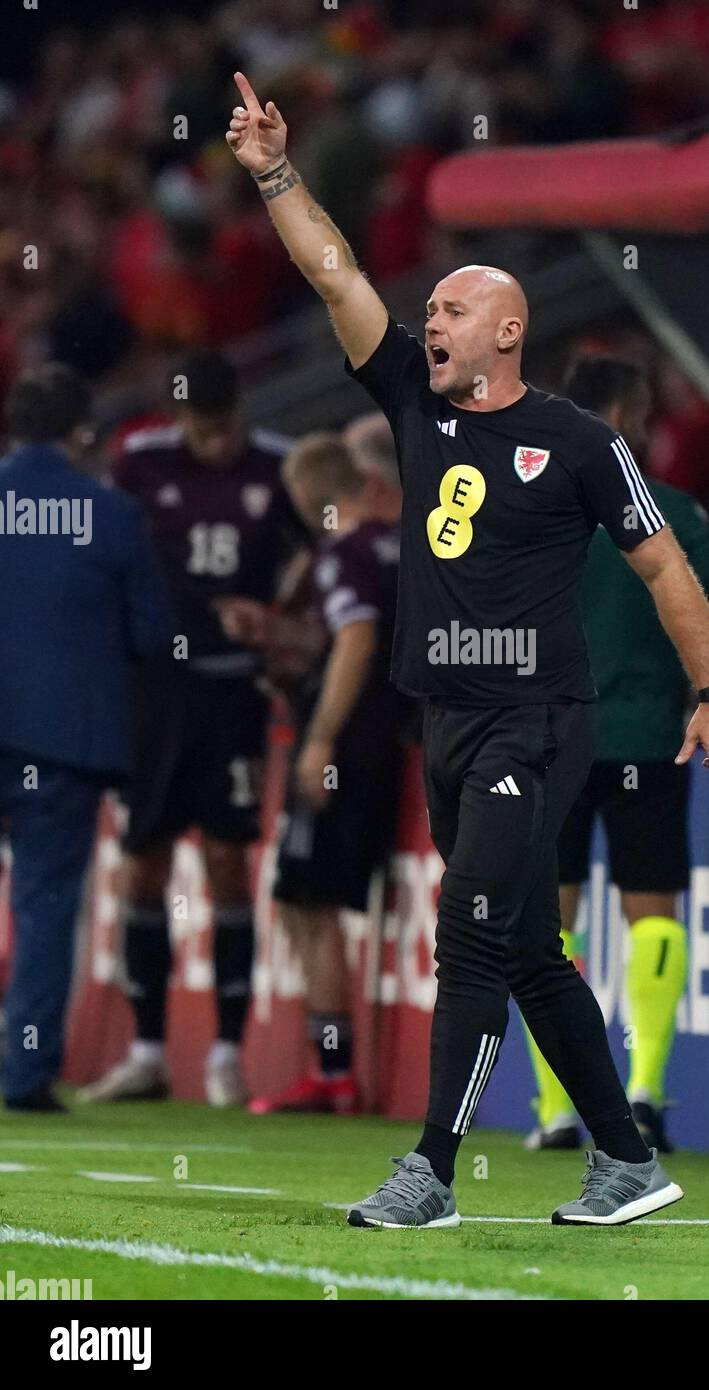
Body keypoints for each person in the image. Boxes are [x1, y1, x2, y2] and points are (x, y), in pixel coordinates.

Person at [226, 71, 709, 1228]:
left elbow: (666, 565)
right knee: (524, 949)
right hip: (446, 721)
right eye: (432, 315)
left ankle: (432, 1173)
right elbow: (334, 270)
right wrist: (272, 170)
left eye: (453, 312)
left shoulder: (577, 442)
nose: (430, 327)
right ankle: (626, 1157)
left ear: (509, 329)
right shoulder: (414, 397)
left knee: (471, 923)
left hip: (540, 721)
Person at [524, 356, 709, 1153]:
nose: (651, 429)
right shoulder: (675, 513)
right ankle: (644, 1092)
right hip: (650, 740)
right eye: (644, 414)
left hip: (548, 742)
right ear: (622, 412)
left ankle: (554, 1109)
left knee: (549, 923)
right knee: (651, 912)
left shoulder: (532, 506)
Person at [79, 352, 306, 1108]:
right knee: (141, 860)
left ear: (241, 413)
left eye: (224, 429)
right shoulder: (138, 462)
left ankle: (225, 1054)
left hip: (232, 693)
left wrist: (277, 616)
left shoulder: (277, 464)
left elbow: (321, 551)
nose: (214, 445)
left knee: (225, 862)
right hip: (151, 692)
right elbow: (103, 556)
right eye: (201, 432)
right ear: (180, 420)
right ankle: (147, 1050)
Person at [218, 432, 408, 1116]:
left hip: (347, 747)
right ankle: (331, 1069)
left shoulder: (343, 554)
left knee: (308, 903)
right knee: (310, 902)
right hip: (389, 741)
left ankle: (332, 1073)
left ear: (307, 500)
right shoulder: (402, 547)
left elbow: (356, 639)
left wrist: (319, 736)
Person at [0, 364, 172, 1111]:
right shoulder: (111, 513)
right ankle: (25, 1074)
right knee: (43, 905)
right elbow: (153, 635)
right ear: (80, 432)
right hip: (62, 741)